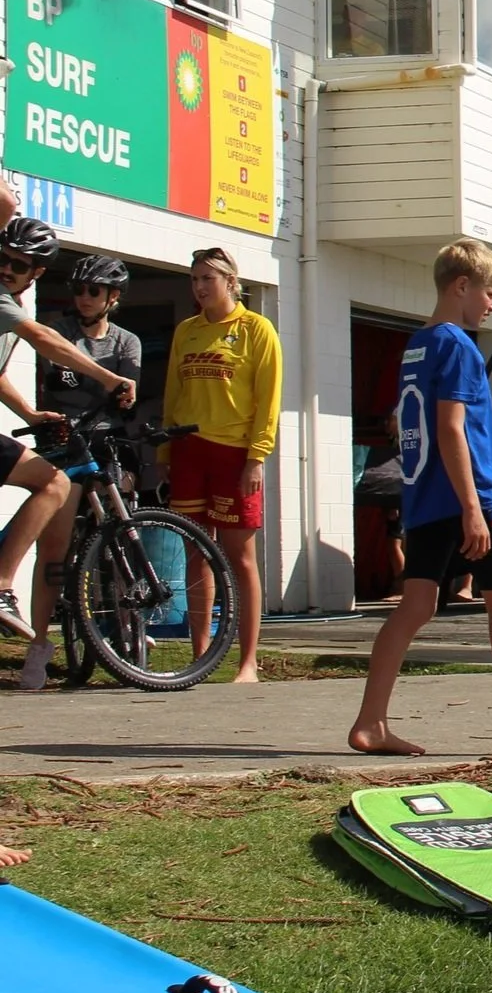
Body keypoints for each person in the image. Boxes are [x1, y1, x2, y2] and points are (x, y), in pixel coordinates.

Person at [348, 239, 492, 758]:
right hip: (464, 500)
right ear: (462, 287)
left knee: (415, 605)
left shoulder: (418, 343)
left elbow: (435, 430)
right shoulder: (458, 345)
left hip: (428, 499)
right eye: (491, 292)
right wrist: (475, 507)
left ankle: (371, 722)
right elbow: (451, 430)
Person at [21, 253, 145, 689]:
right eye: (79, 289)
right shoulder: (59, 331)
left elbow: (127, 395)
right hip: (62, 444)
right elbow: (46, 374)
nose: (85, 298)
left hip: (107, 443)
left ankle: (131, 630)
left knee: (120, 535)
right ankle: (39, 644)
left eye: (94, 290)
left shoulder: (126, 342)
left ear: (113, 297)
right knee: (53, 550)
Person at [163, 247, 282, 684]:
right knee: (195, 552)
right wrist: (165, 451)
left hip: (235, 453)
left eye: (207, 279)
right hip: (189, 449)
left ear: (231, 282)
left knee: (240, 558)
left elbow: (268, 399)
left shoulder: (256, 329)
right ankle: (201, 655)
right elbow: (173, 391)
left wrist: (257, 457)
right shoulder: (187, 330)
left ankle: (248, 661)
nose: (199, 288)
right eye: (194, 279)